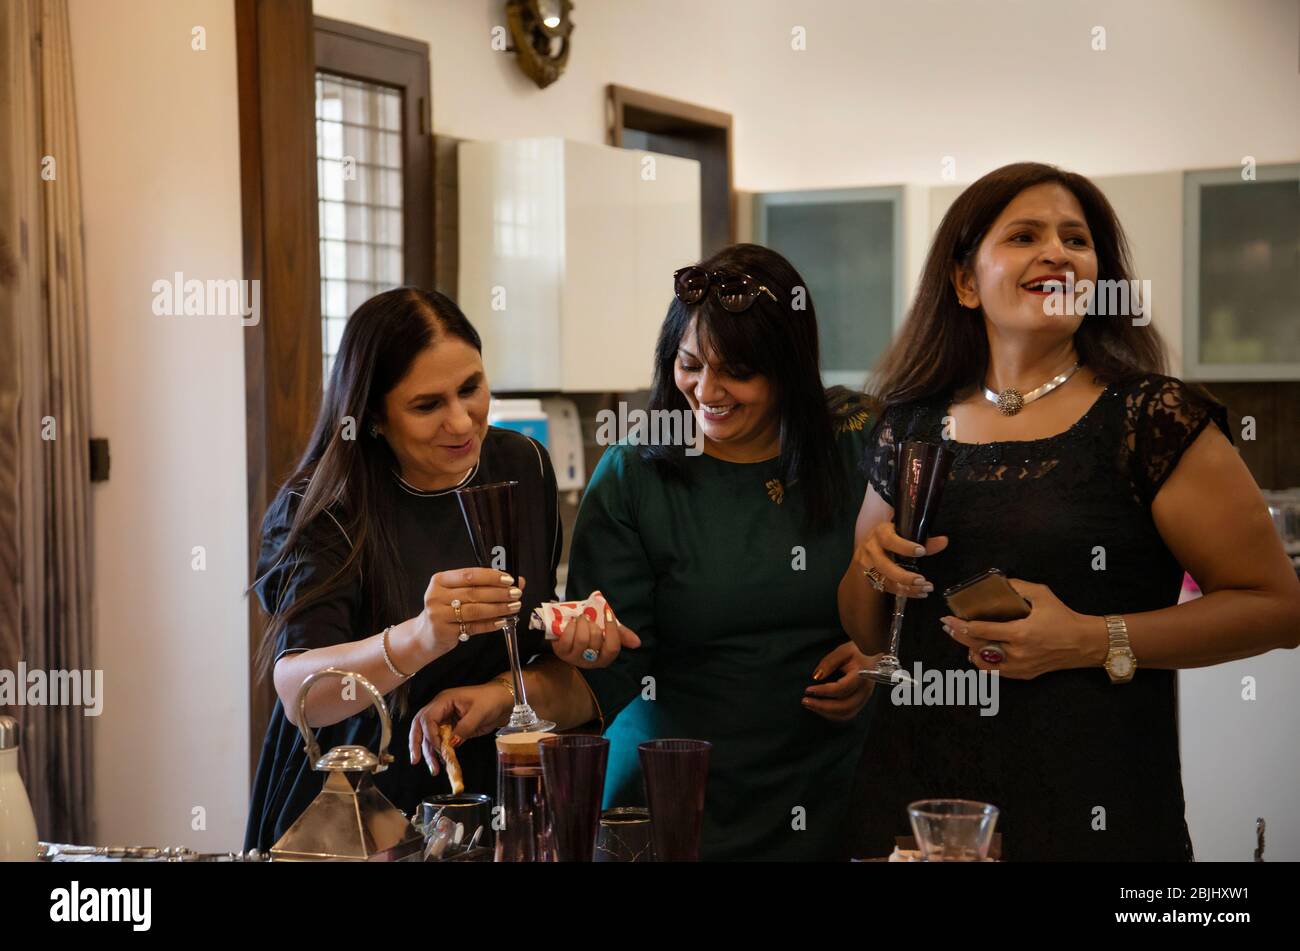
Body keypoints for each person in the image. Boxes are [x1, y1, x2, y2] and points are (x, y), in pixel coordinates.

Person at [839, 162, 1300, 861]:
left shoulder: (1151, 418)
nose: (1056, 252)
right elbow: (871, 635)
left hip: (1096, 803)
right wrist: (868, 568)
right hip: (919, 805)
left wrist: (1090, 637)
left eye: (1076, 240)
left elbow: (1276, 607)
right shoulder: (908, 427)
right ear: (965, 281)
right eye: (1024, 235)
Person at [414, 244, 876, 860]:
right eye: (689, 365)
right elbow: (607, 667)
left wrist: (881, 658)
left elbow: (916, 589)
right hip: (672, 794)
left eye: (736, 370)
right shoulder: (636, 475)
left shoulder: (857, 445)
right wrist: (505, 694)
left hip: (835, 786)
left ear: (788, 366)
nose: (707, 391)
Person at [244, 287, 575, 851]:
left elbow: (535, 652)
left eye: (471, 388)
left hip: (487, 796)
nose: (461, 421)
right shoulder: (326, 506)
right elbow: (301, 690)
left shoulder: (522, 464)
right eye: (427, 406)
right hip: (352, 806)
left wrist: (574, 642)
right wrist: (422, 637)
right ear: (373, 415)